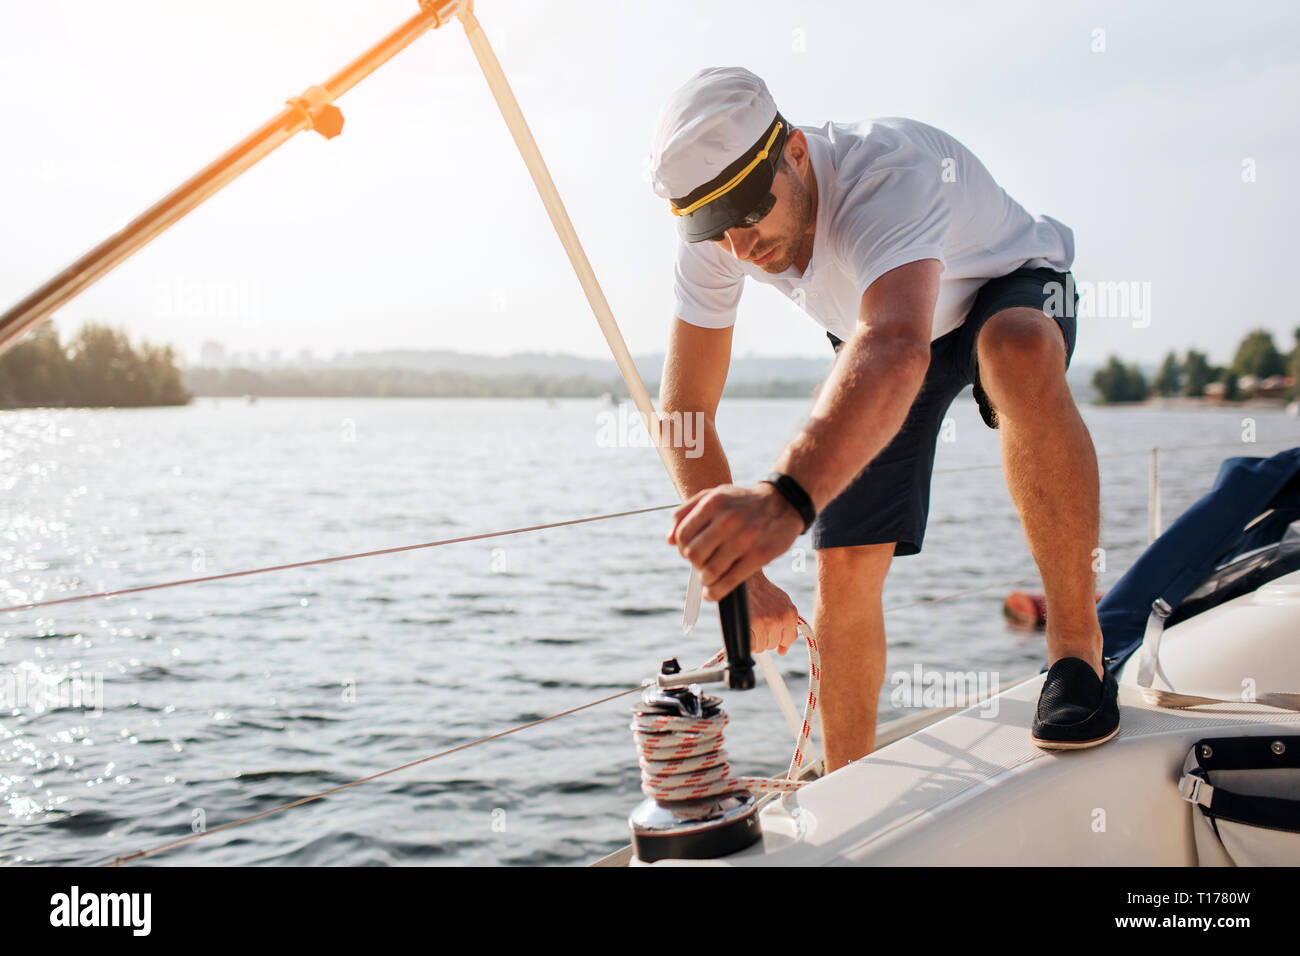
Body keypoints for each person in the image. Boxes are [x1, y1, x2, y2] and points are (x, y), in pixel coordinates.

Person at [649, 67, 1118, 772]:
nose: (741, 248)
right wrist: (740, 570)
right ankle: (847, 783)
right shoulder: (717, 243)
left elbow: (896, 347)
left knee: (1014, 348)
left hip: (1001, 285)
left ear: (797, 152)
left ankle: (1078, 655)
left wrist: (782, 501)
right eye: (715, 229)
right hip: (878, 331)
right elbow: (684, 411)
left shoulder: (887, 172)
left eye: (750, 210)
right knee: (842, 566)